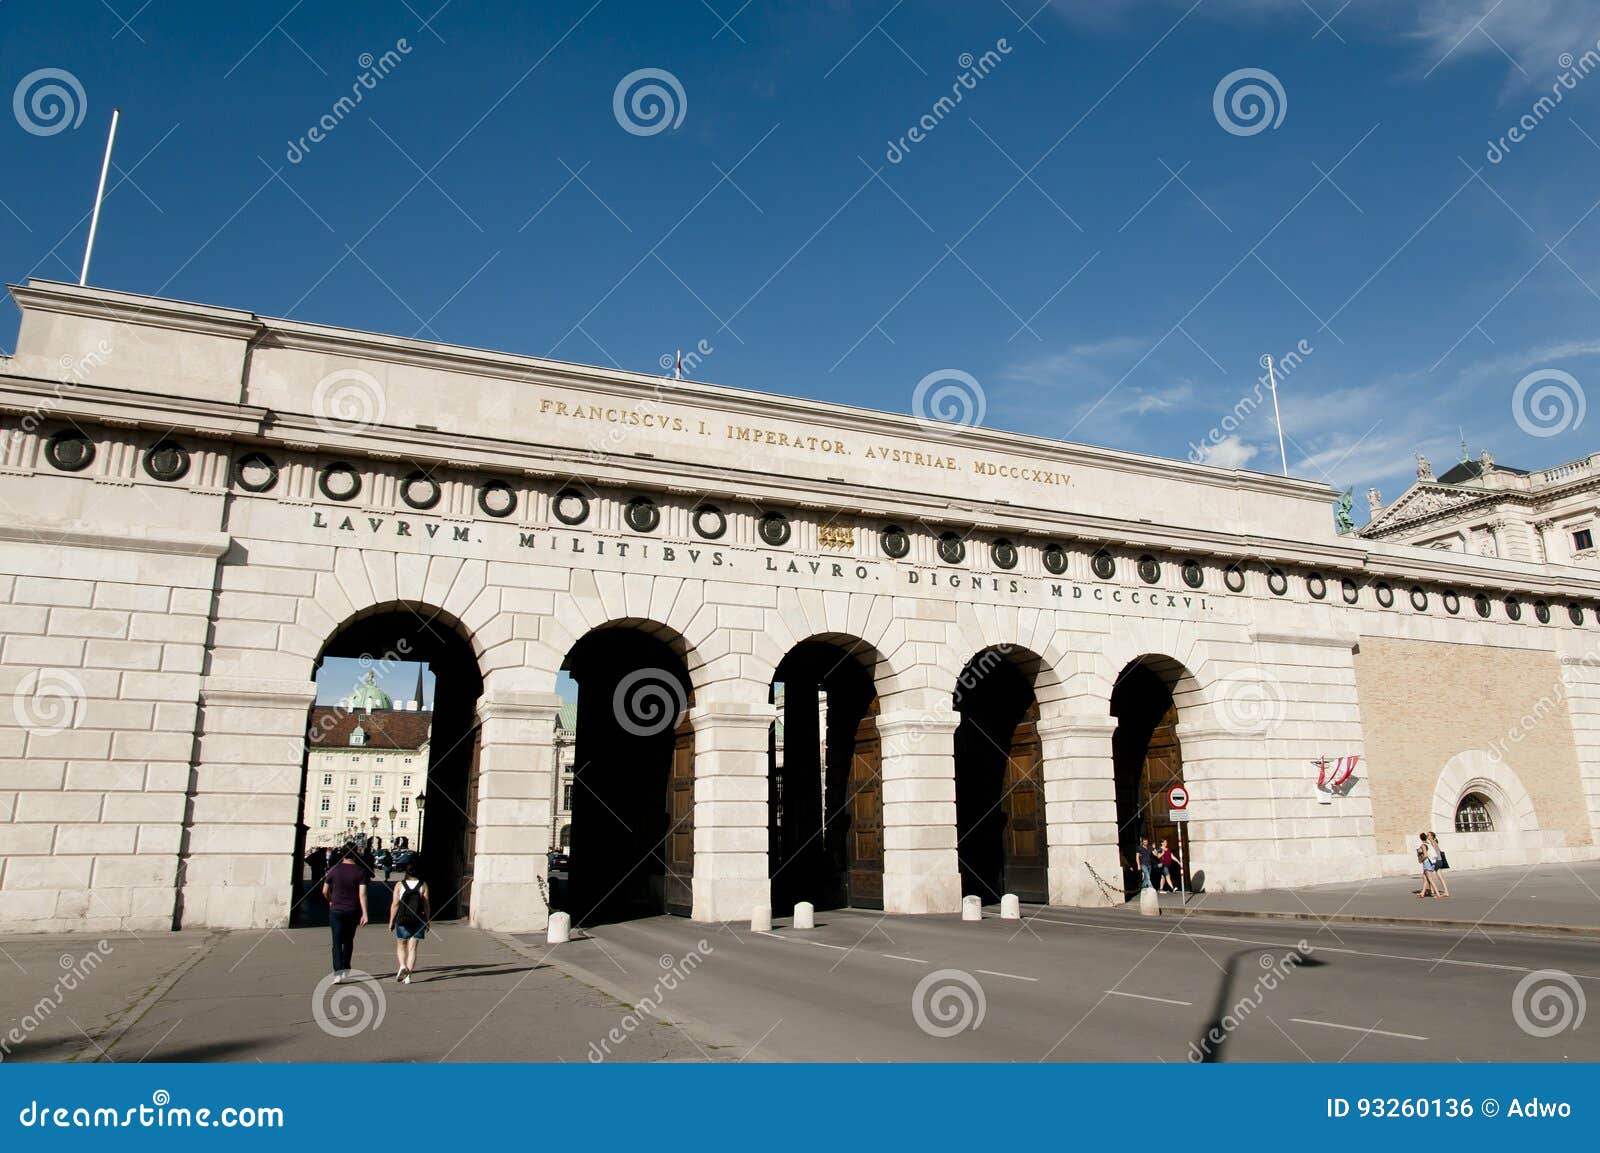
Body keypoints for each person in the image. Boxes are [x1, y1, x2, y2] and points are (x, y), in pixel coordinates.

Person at [322, 843, 370, 981]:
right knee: (348, 940)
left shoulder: (333, 870)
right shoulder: (360, 871)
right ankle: (346, 967)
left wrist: (331, 900)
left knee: (336, 941)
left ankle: (337, 972)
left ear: (341, 854)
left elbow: (324, 891)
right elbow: (363, 895)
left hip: (336, 910)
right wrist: (365, 913)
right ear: (355, 854)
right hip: (352, 910)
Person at [388, 859, 430, 984]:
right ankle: (408, 976)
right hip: (418, 919)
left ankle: (402, 965)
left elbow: (395, 904)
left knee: (401, 945)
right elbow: (426, 905)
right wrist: (427, 920)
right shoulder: (423, 885)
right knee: (413, 948)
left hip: (403, 918)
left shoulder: (400, 885)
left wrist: (391, 921)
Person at [1416, 832, 1440, 898]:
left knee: (1430, 879)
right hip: (1432, 862)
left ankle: (1438, 894)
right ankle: (1422, 893)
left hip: (1427, 863)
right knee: (1425, 878)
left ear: (1420, 838)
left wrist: (1421, 860)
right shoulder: (1428, 844)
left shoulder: (1423, 845)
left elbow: (1426, 855)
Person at [1427, 831, 1450, 897]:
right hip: (1439, 861)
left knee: (1430, 876)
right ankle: (1446, 892)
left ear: (1431, 836)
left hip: (1436, 861)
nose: (1427, 836)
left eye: (1428, 835)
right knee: (1440, 877)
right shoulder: (1435, 842)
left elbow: (1433, 853)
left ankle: (1434, 892)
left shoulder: (1432, 843)